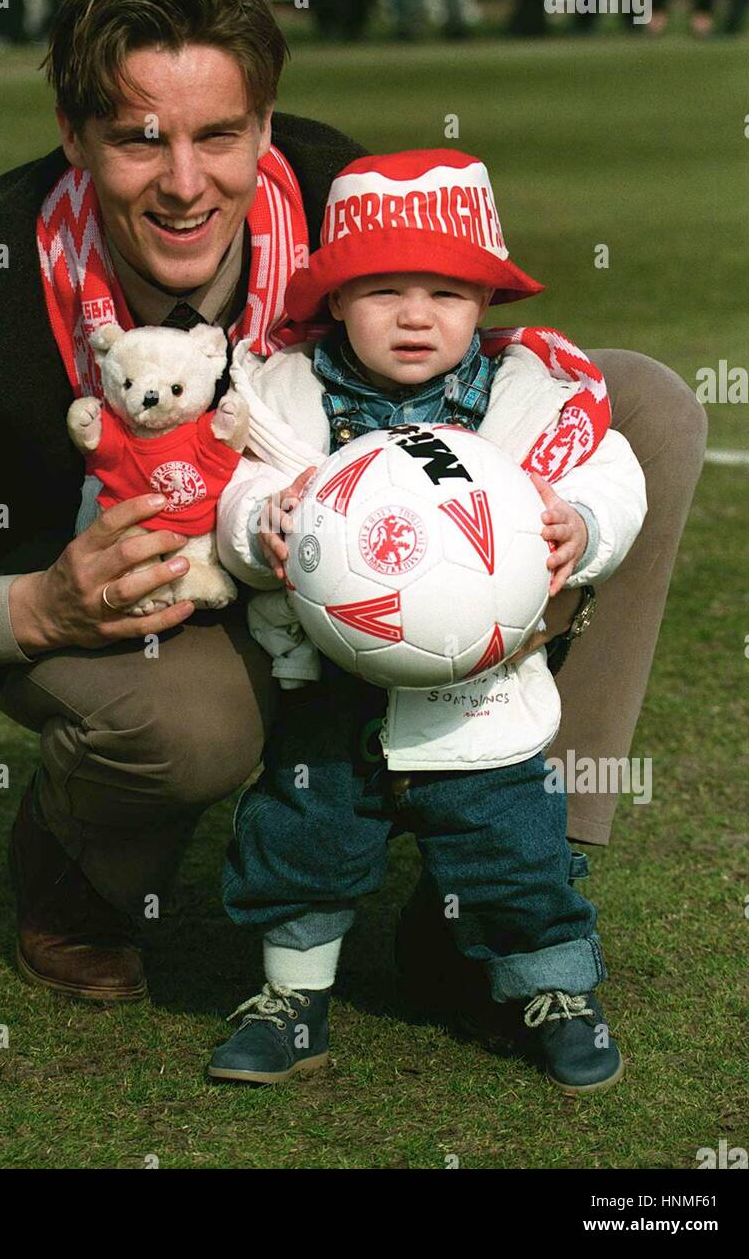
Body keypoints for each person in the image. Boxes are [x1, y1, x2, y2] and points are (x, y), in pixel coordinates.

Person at [0, 0, 706, 1010]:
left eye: (221, 134)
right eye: (139, 141)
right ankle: (79, 883)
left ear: (264, 122)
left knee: (649, 408)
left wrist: (535, 576)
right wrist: (37, 606)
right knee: (191, 726)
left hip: (328, 546)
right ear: (73, 135)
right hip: (130, 603)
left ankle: (500, 881)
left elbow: (486, 364)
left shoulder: (345, 194)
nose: (187, 184)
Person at [206, 149, 646, 1092]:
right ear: (334, 300)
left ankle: (555, 988)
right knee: (301, 836)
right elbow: (233, 495)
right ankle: (292, 1000)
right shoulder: (287, 400)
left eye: (445, 291)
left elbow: (613, 474)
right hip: (329, 691)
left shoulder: (534, 399)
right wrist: (259, 523)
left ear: (484, 303)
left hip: (480, 700)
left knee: (515, 851)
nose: (416, 316)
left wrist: (587, 524)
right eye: (384, 290)